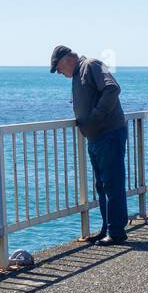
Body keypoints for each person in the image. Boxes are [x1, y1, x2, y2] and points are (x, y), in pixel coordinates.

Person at [50, 45, 129, 244]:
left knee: (112, 184)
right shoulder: (78, 74)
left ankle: (117, 231)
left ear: (67, 59)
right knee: (102, 186)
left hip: (109, 134)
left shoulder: (92, 65)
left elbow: (112, 88)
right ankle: (107, 228)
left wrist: (95, 117)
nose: (60, 73)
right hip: (96, 137)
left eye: (58, 68)